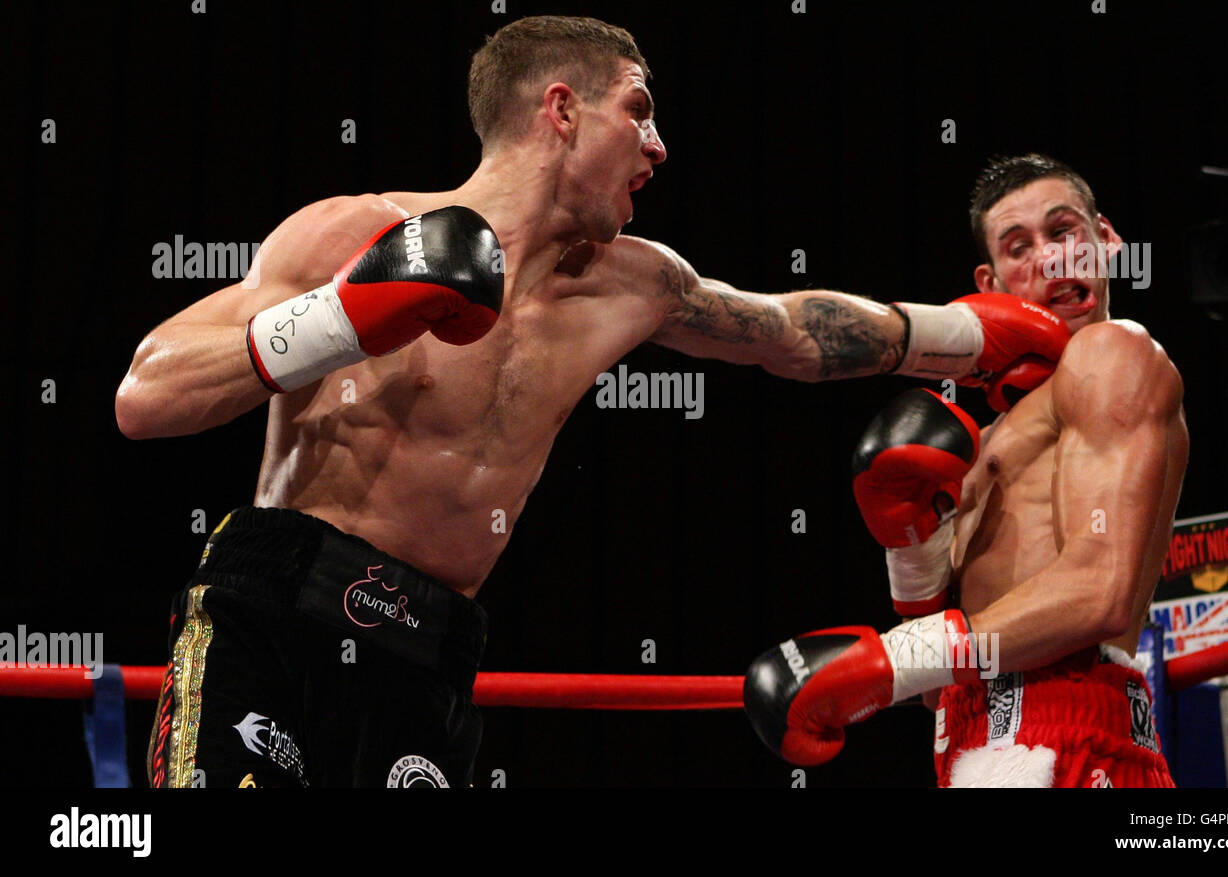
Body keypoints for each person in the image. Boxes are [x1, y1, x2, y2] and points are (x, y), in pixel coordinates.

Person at [117, 17, 1069, 788]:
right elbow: (145, 392)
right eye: (639, 110)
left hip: (429, 651)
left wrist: (976, 333)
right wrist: (343, 316)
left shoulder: (634, 284)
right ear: (561, 109)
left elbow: (793, 332)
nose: (658, 144)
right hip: (278, 611)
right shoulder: (360, 229)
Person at [744, 154, 1189, 788]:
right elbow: (943, 681)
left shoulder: (1116, 352)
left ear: (1107, 241)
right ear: (990, 283)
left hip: (1071, 726)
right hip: (971, 736)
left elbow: (1100, 593)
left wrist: (884, 663)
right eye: (1019, 247)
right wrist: (913, 548)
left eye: (1064, 232)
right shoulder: (983, 443)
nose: (1052, 258)